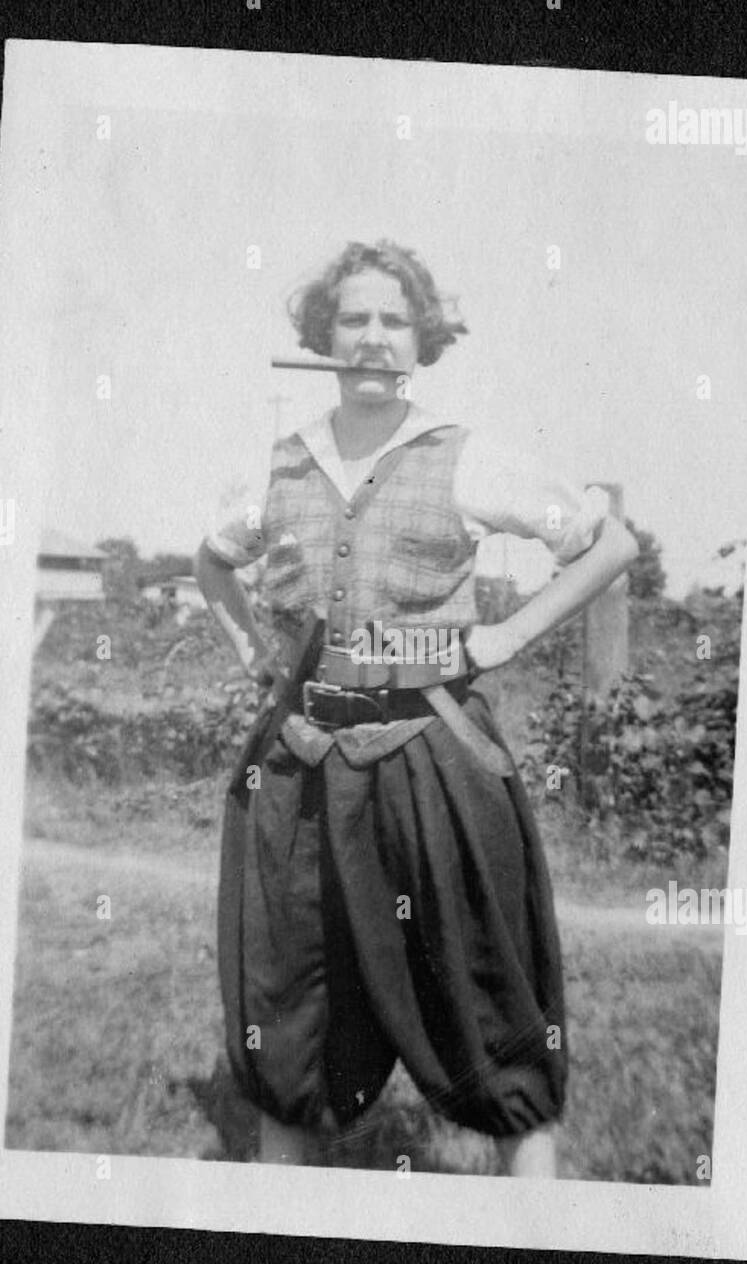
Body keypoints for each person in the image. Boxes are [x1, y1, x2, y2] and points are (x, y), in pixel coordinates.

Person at [195, 239, 638, 1176]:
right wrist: (248, 646)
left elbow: (609, 547)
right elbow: (210, 558)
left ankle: (538, 1232)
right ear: (323, 336)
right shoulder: (278, 466)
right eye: (352, 319)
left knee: (480, 979)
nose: (371, 339)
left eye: (394, 322)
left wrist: (507, 638)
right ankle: (275, 1227)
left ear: (422, 339)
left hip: (434, 757)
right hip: (302, 763)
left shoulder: (465, 458)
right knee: (295, 999)